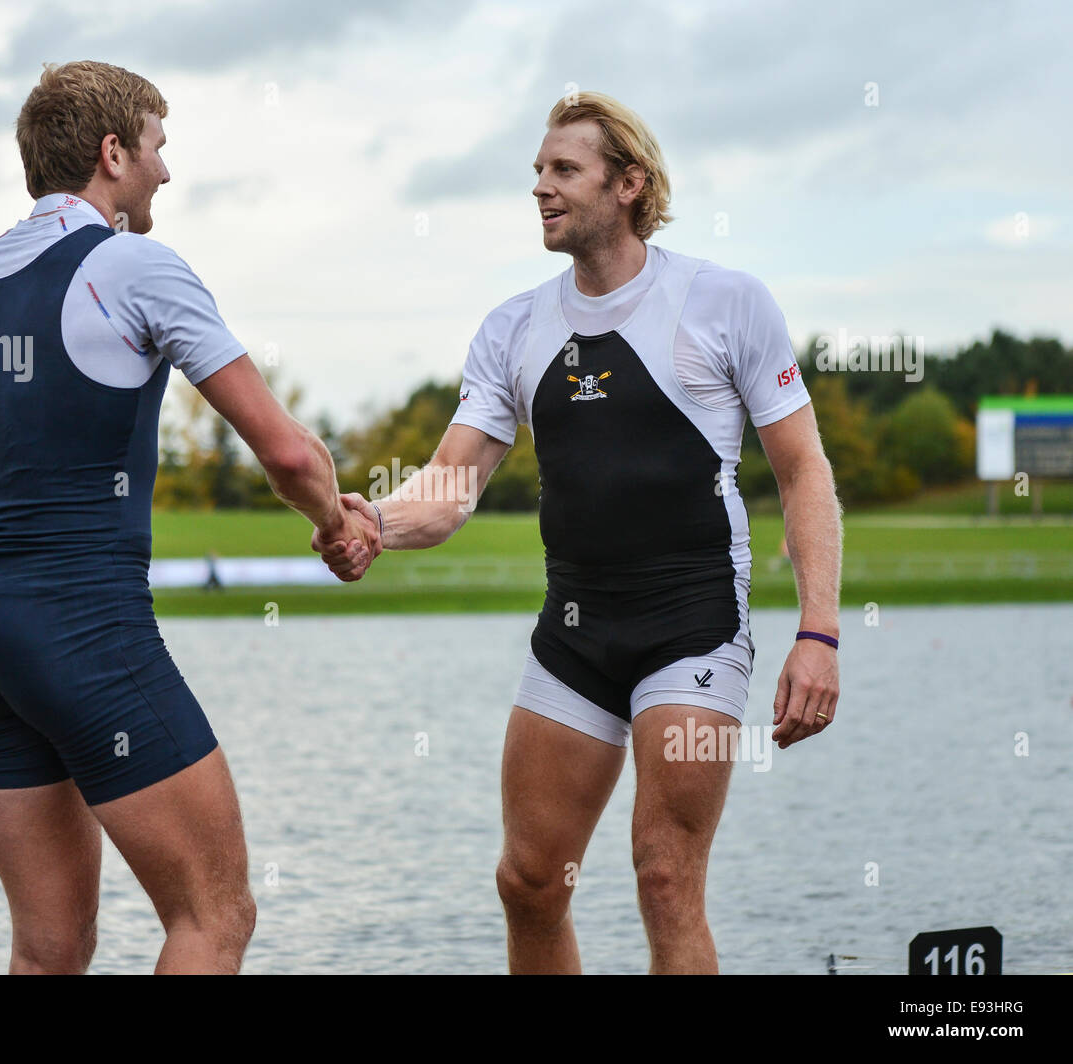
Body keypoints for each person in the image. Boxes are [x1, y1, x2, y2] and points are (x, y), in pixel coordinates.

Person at [316, 91, 841, 974]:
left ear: (629, 183)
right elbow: (449, 489)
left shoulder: (725, 302)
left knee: (666, 875)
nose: (541, 188)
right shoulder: (515, 327)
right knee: (529, 882)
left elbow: (803, 470)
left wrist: (819, 632)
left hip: (695, 625)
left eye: (564, 170)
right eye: (537, 172)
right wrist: (374, 522)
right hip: (575, 633)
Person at [0, 60, 379, 975]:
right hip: (86, 629)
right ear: (112, 152)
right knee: (213, 915)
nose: (166, 171)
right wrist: (332, 519)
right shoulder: (134, 265)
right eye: (158, 147)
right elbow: (284, 450)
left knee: (47, 948)